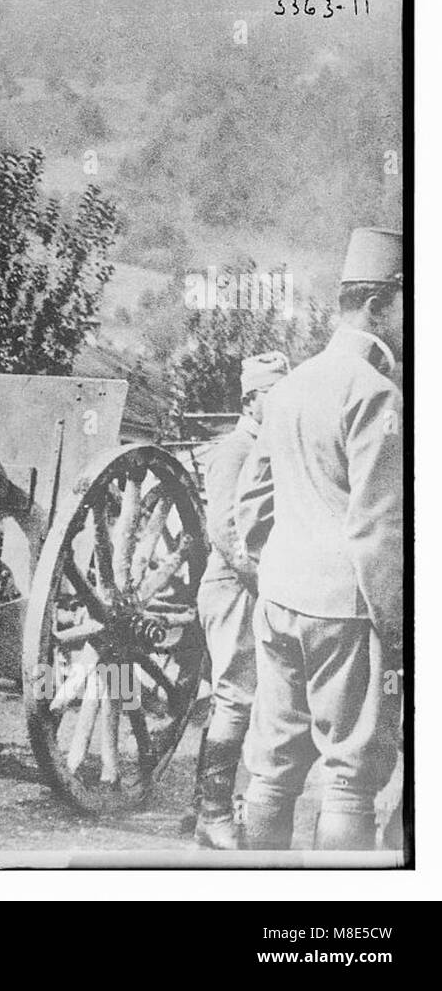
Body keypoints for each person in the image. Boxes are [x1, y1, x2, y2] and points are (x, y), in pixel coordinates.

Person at [235, 227, 405, 850]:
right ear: (381, 304)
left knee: (272, 770)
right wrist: (398, 628)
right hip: (347, 608)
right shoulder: (378, 394)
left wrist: (271, 571)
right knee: (350, 781)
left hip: (279, 600)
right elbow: (378, 530)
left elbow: (250, 507)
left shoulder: (290, 386)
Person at [191, 350, 289, 849]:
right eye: (274, 395)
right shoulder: (232, 451)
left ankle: (210, 809)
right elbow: (227, 533)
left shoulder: (273, 445)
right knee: (236, 696)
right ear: (251, 399)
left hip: (257, 585)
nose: (282, 403)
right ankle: (212, 816)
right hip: (233, 586)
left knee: (252, 698)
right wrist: (262, 584)